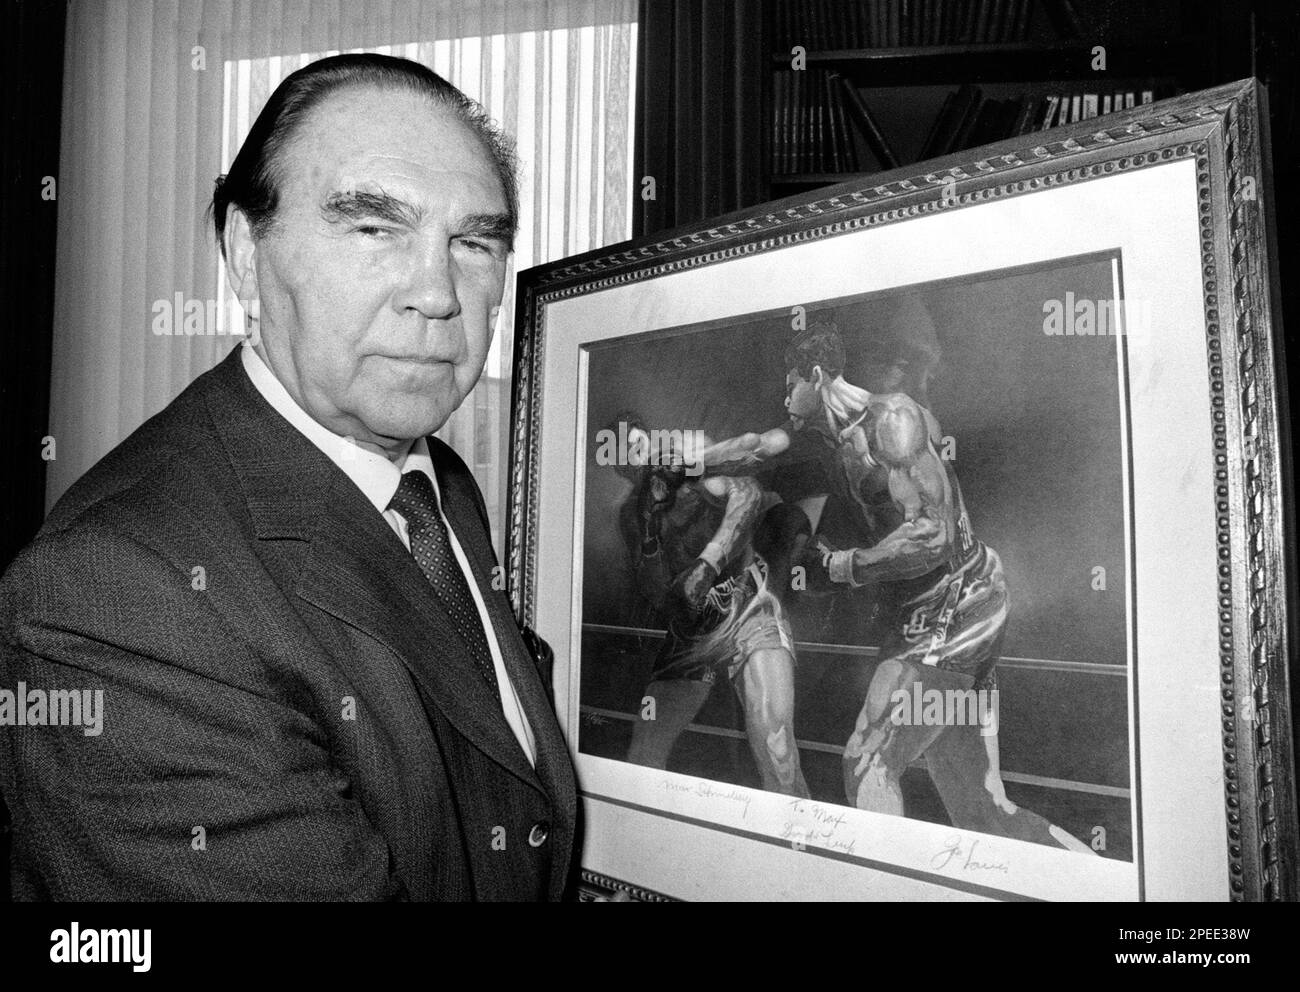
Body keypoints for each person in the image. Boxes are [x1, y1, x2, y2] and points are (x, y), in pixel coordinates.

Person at [0, 54, 577, 900]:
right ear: (245, 254)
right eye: (373, 228)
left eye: (474, 242)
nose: (438, 293)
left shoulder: (437, 482)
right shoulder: (113, 593)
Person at [701, 322, 1090, 851]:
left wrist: (844, 566)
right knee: (985, 814)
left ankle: (885, 886)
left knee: (869, 761)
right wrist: (676, 460)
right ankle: (1095, 879)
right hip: (939, 612)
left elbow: (933, 536)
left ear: (816, 376)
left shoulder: (893, 421)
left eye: (790, 385)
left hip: (954, 600)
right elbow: (754, 448)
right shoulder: (822, 435)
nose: (784, 397)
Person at [612, 416, 810, 797]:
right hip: (693, 627)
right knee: (643, 756)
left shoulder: (693, 461)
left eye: (639, 445)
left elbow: (749, 495)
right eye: (627, 456)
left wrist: (708, 563)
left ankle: (799, 831)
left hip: (746, 604)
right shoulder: (633, 515)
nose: (639, 457)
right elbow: (657, 593)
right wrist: (650, 526)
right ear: (620, 468)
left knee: (778, 749)